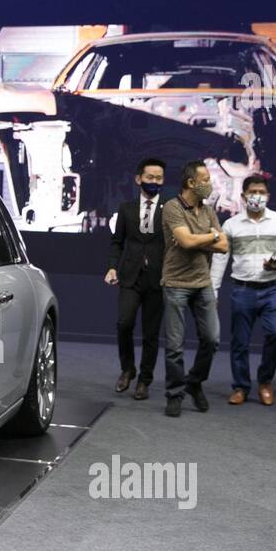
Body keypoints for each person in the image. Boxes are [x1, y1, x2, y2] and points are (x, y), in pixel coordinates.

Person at [211, 175, 276, 406]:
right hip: (243, 289)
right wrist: (214, 290)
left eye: (261, 192)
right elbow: (220, 258)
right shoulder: (231, 225)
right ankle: (240, 386)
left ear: (268, 195)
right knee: (240, 341)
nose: (257, 196)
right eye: (252, 192)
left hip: (273, 288)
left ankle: (265, 380)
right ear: (243, 196)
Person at [160, 160, 229, 418]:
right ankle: (174, 393)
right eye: (206, 180)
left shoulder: (209, 211)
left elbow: (223, 246)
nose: (210, 185)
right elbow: (185, 241)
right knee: (175, 346)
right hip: (176, 283)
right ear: (191, 183)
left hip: (203, 283)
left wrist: (207, 239)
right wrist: (209, 237)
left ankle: (195, 381)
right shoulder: (172, 207)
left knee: (212, 339)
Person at [105, 157, 166, 400]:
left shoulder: (169, 208)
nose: (154, 182)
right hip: (130, 276)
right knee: (124, 324)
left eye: (159, 178)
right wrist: (112, 267)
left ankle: (144, 380)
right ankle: (127, 369)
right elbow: (116, 242)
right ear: (138, 179)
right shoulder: (126, 208)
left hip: (158, 278)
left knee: (151, 333)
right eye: (150, 177)